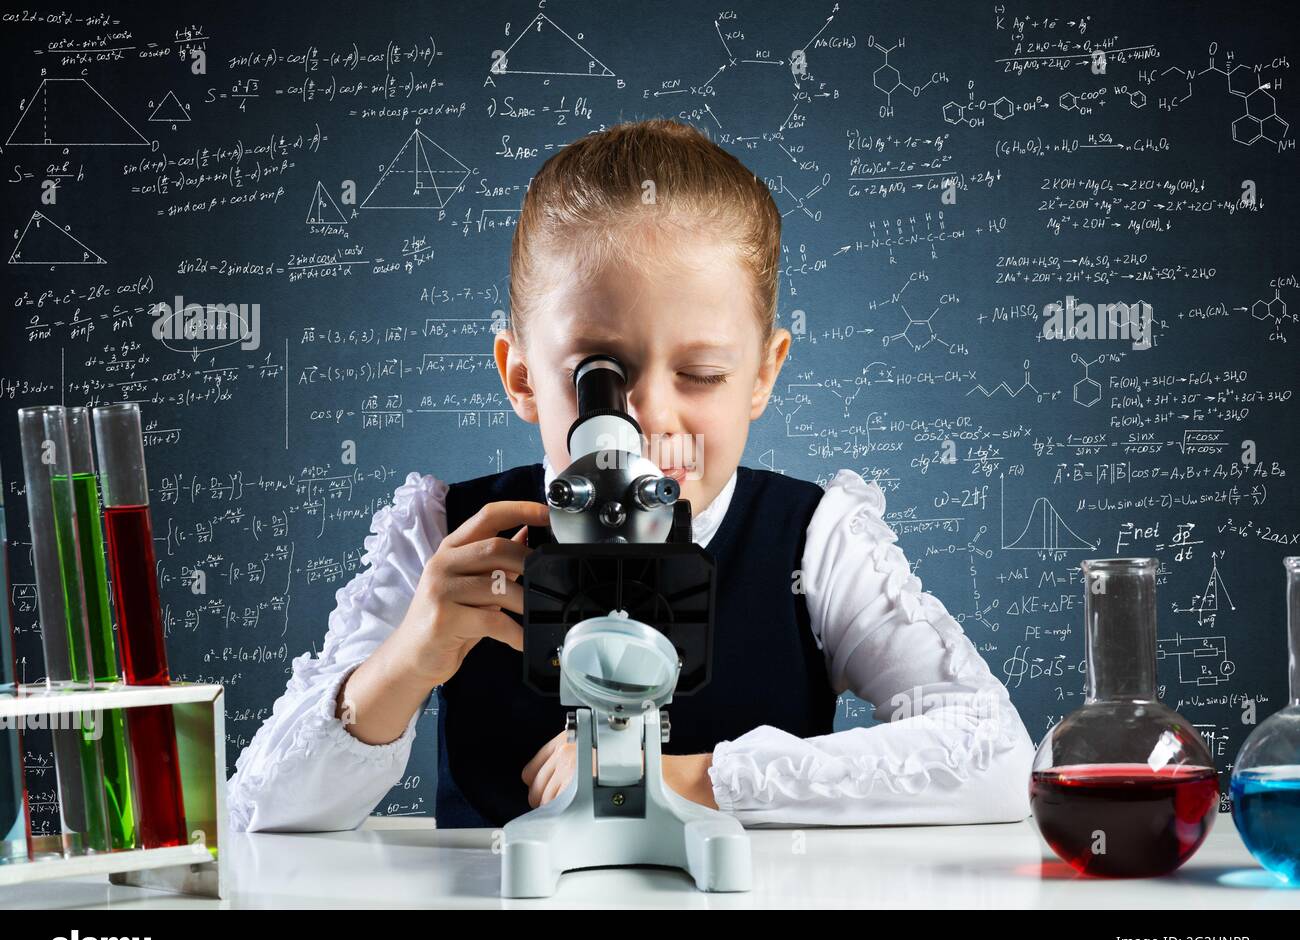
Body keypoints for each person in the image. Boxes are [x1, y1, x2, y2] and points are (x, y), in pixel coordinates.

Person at [227, 118, 1035, 832]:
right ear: (520, 375)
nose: (648, 418)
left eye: (704, 374)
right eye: (599, 374)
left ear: (763, 373)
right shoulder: (450, 533)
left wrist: (692, 781)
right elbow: (265, 813)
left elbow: (994, 757)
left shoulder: (815, 542)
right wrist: (411, 656)